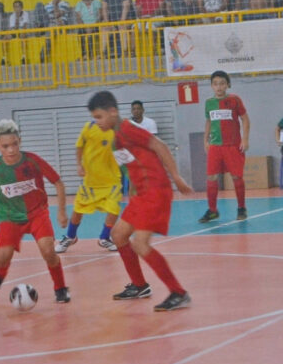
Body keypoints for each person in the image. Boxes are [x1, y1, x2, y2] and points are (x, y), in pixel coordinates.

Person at [88, 90, 193, 311]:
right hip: (141, 194)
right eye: (94, 118)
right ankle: (139, 285)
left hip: (156, 190)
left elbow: (159, 146)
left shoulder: (127, 129)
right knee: (118, 235)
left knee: (140, 244)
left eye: (99, 117)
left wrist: (176, 176)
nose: (96, 122)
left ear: (113, 112)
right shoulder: (115, 138)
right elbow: (134, 164)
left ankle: (178, 292)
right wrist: (133, 191)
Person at [0, 119, 70, 303]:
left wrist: (61, 212)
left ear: (20, 141)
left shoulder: (33, 161)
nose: (11, 150)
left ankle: (60, 288)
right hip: (10, 217)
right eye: (5, 146)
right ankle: (0, 274)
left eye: (14, 144)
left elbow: (58, 183)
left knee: (48, 252)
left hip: (37, 214)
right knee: (2, 257)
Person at [54, 113, 122, 253]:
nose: (98, 119)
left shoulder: (117, 130)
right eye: (96, 116)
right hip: (91, 180)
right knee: (78, 210)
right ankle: (70, 236)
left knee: (114, 209)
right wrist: (79, 165)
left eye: (101, 115)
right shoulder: (89, 127)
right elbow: (79, 146)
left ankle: (104, 238)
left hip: (112, 180)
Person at [199, 70, 249, 223]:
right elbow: (208, 122)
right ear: (212, 86)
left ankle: (241, 208)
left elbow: (245, 120)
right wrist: (205, 140)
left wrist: (245, 140)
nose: (219, 87)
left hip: (232, 146)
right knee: (211, 177)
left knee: (236, 177)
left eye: (221, 84)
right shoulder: (209, 103)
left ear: (227, 85)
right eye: (215, 84)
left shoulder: (235, 100)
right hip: (215, 146)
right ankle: (213, 210)